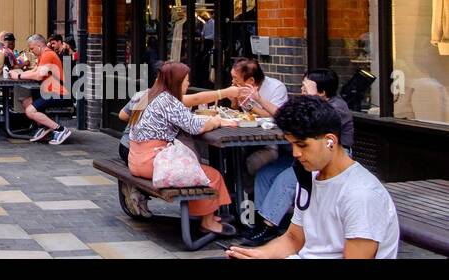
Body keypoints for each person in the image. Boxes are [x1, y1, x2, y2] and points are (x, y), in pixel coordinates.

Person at [228, 96, 399, 259]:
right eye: (292, 144)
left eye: (302, 145)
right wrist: (259, 254)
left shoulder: (361, 194)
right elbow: (293, 239)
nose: (296, 153)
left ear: (330, 141)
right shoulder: (309, 177)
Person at [243, 69, 357, 246]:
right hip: (305, 155)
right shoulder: (313, 105)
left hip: (330, 159)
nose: (301, 91)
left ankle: (267, 226)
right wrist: (258, 99)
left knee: (286, 180)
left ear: (322, 93)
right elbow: (286, 117)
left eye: (305, 88)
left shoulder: (334, 109)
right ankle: (264, 219)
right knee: (265, 174)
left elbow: (301, 125)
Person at [128, 61, 241, 237]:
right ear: (176, 81)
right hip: (152, 162)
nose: (188, 84)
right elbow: (195, 126)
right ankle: (207, 222)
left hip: (136, 159)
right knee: (210, 175)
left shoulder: (151, 95)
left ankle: (208, 213)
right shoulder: (168, 101)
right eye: (186, 80)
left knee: (196, 167)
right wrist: (217, 120)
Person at [231, 56, 291, 175]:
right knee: (232, 157)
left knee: (249, 163)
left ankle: (251, 191)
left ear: (251, 81)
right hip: (248, 136)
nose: (233, 82)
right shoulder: (241, 88)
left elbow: (275, 115)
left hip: (273, 143)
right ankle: (244, 191)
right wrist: (234, 101)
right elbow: (238, 110)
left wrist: (251, 104)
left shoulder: (276, 88)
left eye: (235, 78)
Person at [15, 33, 72, 145]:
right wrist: (19, 73)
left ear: (39, 46)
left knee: (30, 111)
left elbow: (38, 76)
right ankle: (45, 127)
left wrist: (18, 76)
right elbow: (35, 71)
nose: (31, 51)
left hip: (58, 93)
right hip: (48, 91)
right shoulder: (43, 55)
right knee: (26, 102)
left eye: (32, 49)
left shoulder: (48, 55)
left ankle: (60, 129)